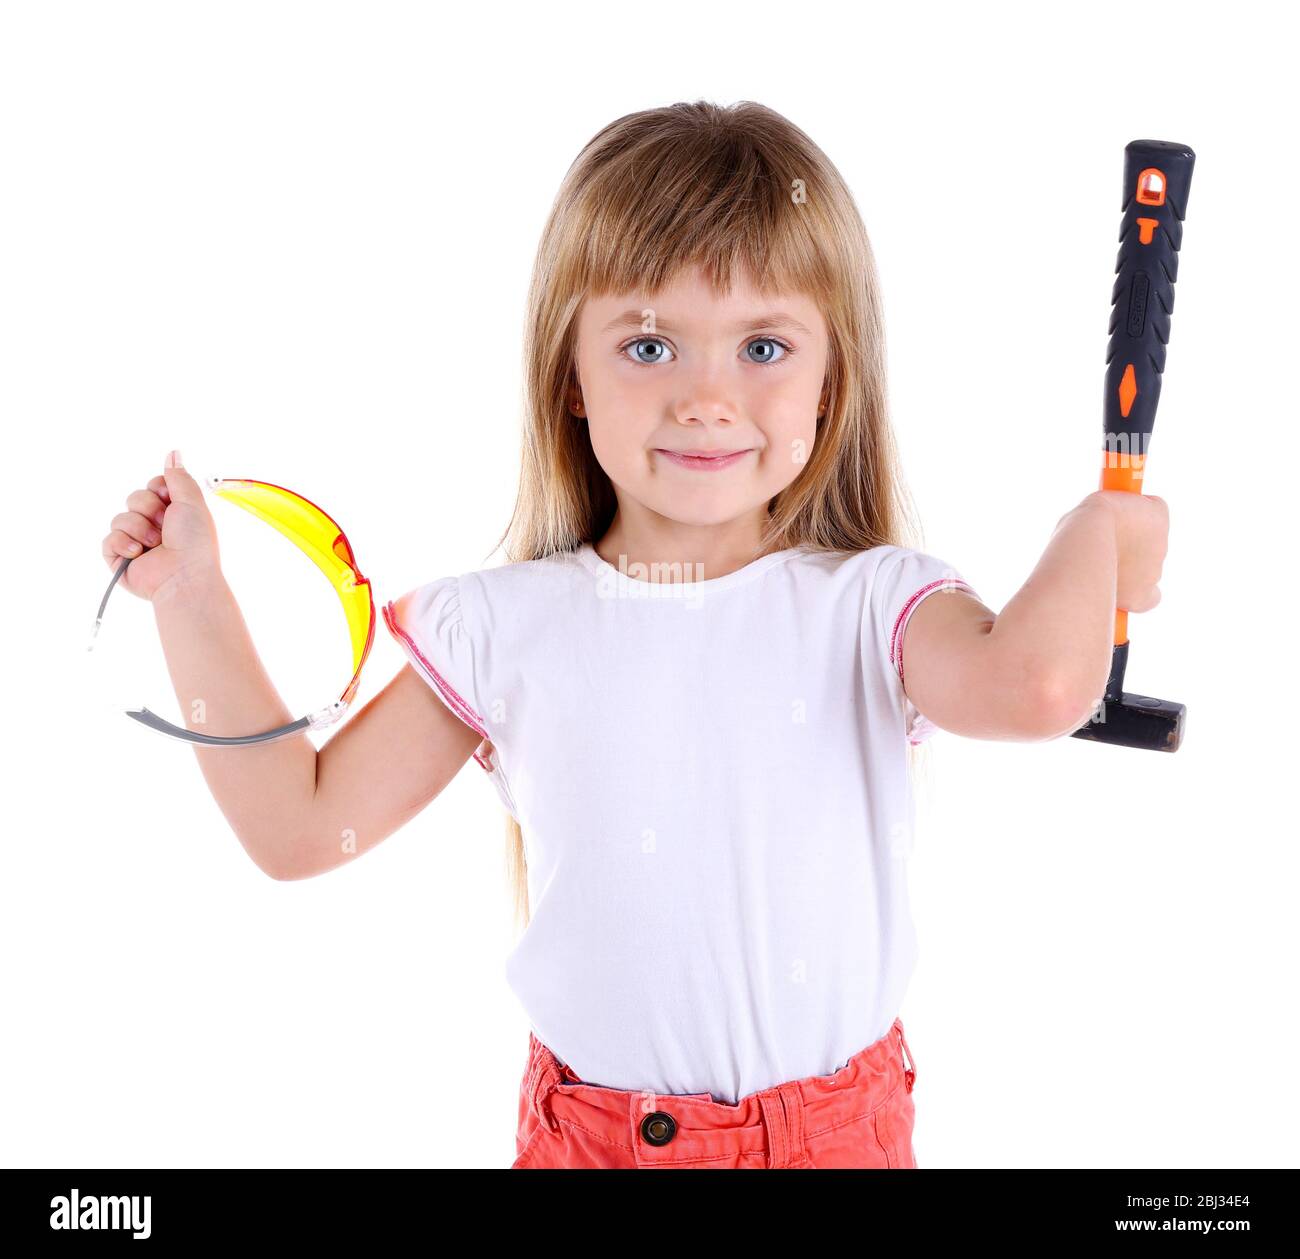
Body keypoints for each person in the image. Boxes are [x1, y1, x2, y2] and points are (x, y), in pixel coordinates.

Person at [99, 100, 1168, 1169]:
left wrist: (1095, 531)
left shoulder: (877, 608)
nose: (707, 398)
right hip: (594, 1144)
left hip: (837, 1138)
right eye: (649, 345)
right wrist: (192, 598)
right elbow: (298, 830)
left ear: (831, 379)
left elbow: (1038, 687)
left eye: (762, 345)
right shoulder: (504, 627)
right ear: (569, 372)